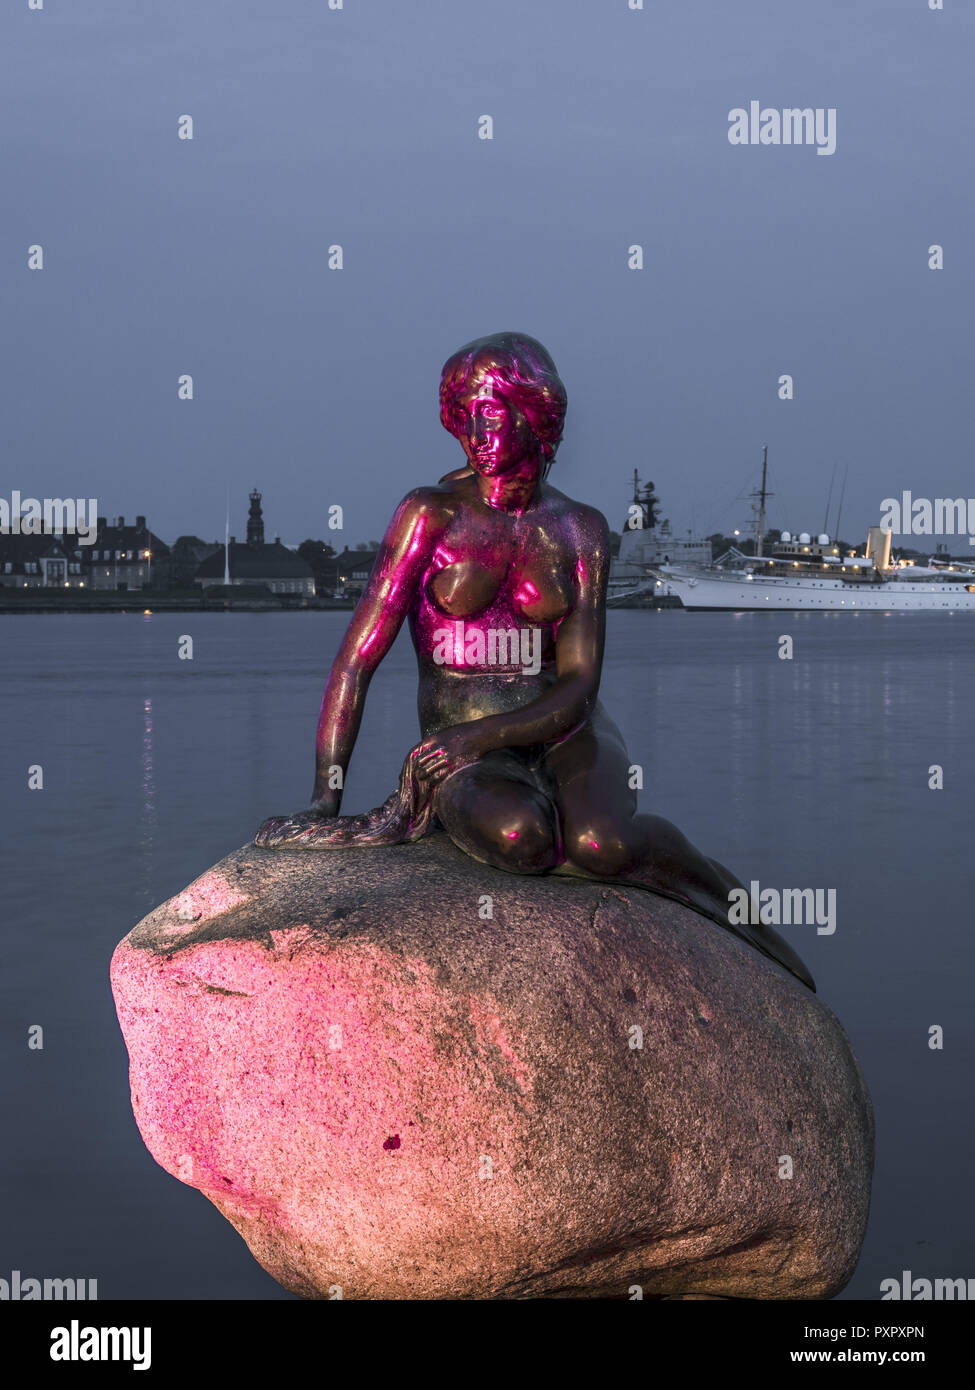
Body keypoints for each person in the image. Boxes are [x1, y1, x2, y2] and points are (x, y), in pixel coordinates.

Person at [256, 332, 814, 990]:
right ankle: (511, 815)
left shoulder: (578, 530)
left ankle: (734, 912)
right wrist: (327, 795)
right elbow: (355, 662)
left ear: (533, 412)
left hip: (564, 729)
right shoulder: (429, 516)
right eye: (459, 415)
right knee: (523, 840)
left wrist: (480, 733)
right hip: (465, 745)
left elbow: (579, 684)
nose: (472, 430)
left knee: (602, 845)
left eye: (486, 411)